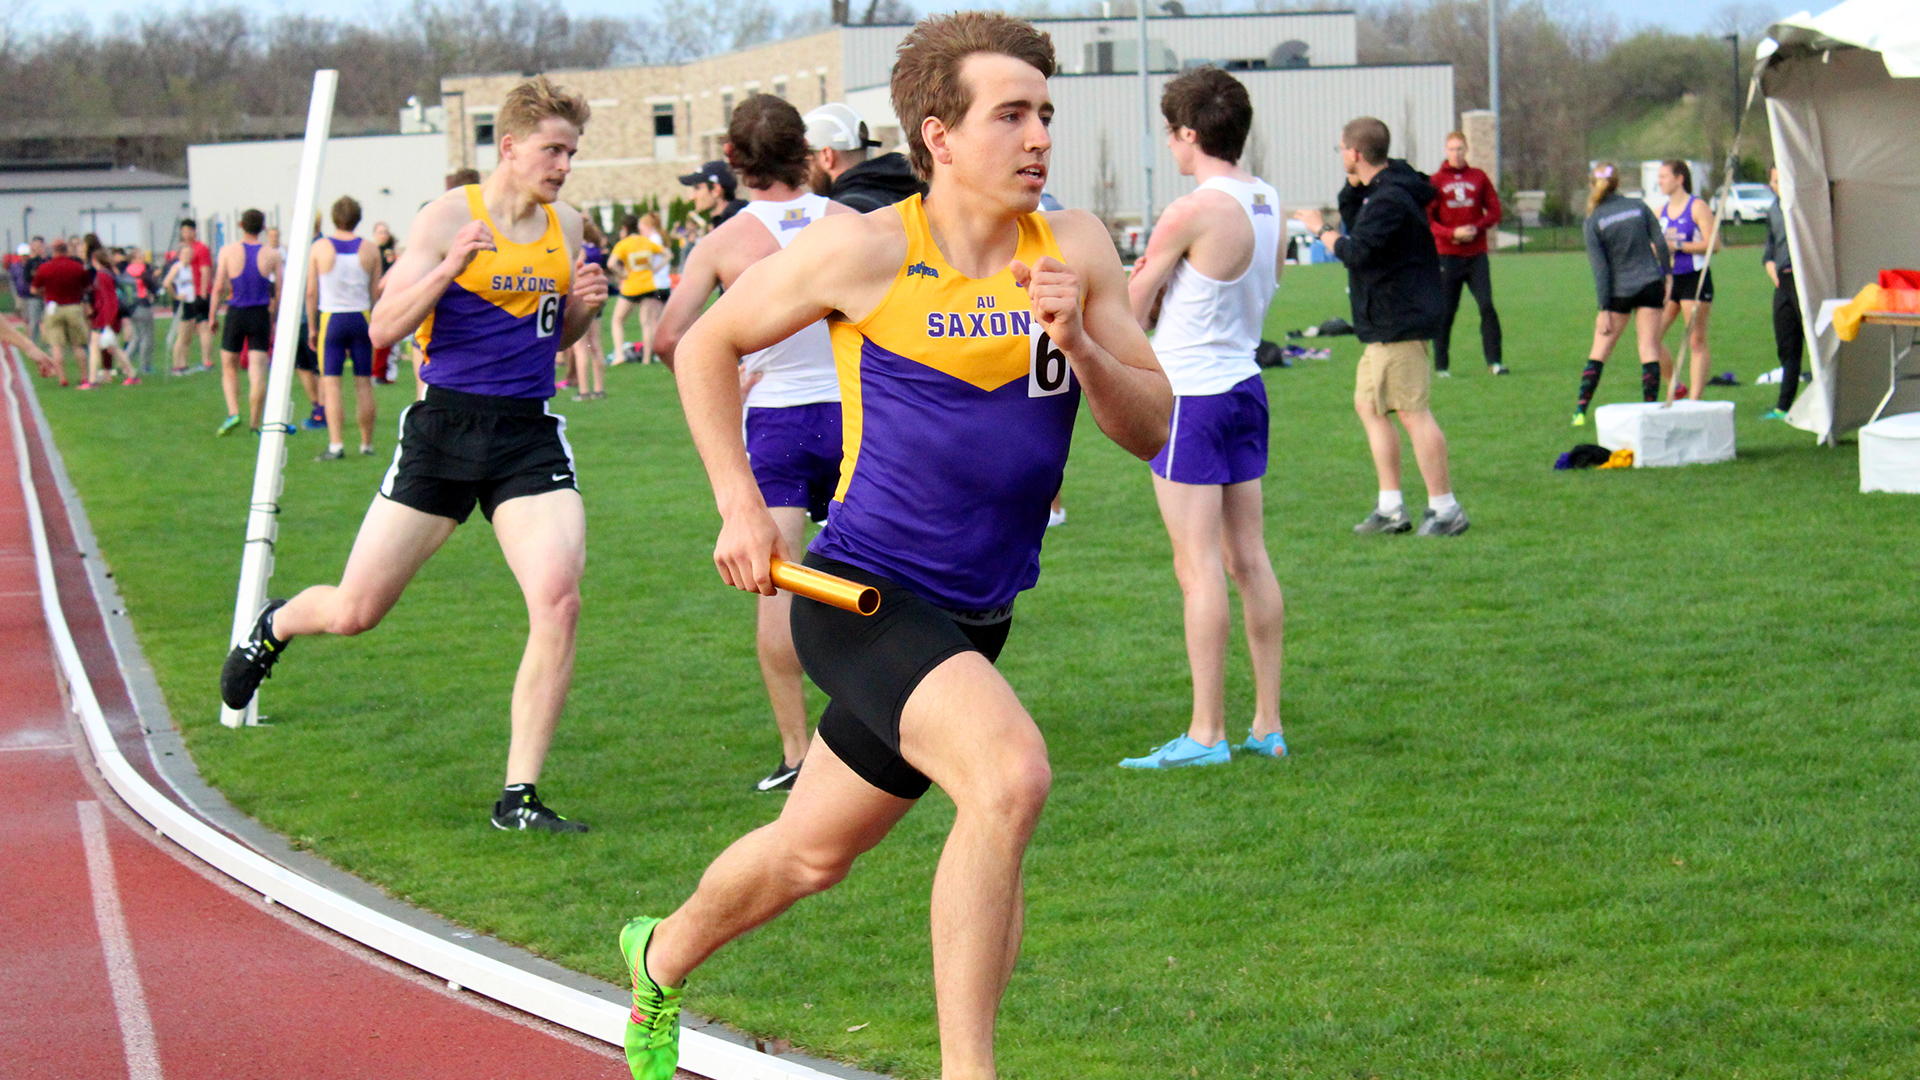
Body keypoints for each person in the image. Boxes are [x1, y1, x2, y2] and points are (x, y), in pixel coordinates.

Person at [617, 15, 1172, 1080]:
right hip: (860, 594)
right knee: (1008, 777)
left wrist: (1083, 344)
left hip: (977, 613)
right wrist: (739, 504)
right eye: (1010, 115)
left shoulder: (1078, 248)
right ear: (940, 136)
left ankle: (660, 955)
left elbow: (1153, 428)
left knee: (808, 853)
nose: (1039, 137)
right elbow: (705, 343)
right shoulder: (868, 249)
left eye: (1045, 113)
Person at [220, 75, 608, 833]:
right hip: (444, 432)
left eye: (572, 152)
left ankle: (519, 796)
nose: (565, 165)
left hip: (526, 435)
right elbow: (382, 328)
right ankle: (278, 623)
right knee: (356, 611)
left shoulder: (568, 223)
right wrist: (446, 266)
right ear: (510, 147)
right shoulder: (447, 217)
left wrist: (582, 310)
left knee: (558, 600)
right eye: (554, 150)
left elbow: (553, 336)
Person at [654, 93, 856, 793]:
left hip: (776, 423)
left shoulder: (725, 242)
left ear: (733, 157)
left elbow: (669, 338)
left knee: (778, 583)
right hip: (855, 416)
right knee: (882, 573)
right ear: (805, 149)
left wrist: (726, 380)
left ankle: (798, 753)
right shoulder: (851, 223)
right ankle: (887, 731)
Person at [1118, 66, 1285, 769]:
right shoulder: (1269, 199)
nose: (1169, 143)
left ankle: (1207, 734)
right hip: (1243, 384)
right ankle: (1267, 725)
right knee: (1249, 558)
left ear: (1189, 133)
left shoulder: (1192, 210)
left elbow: (1130, 308)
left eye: (1171, 132)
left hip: (1191, 394)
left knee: (1199, 568)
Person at [1294, 118, 1469, 537]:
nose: (1341, 156)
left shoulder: (1391, 198)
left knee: (1412, 412)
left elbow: (1357, 251)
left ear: (1355, 152)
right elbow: (1358, 219)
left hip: (1399, 320)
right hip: (1382, 323)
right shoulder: (1381, 191)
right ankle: (1391, 508)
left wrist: (1320, 229)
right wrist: (1352, 186)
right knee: (1370, 407)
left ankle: (1446, 509)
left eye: (1342, 149)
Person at [1569, 163, 1672, 425]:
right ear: (1617, 183)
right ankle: (1650, 409)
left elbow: (1600, 269)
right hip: (1650, 284)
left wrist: (1603, 309)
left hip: (1619, 292)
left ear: (1592, 184)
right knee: (1648, 348)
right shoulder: (1638, 206)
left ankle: (1580, 412)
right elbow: (1660, 243)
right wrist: (1668, 276)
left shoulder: (1594, 220)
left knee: (1600, 351)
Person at [307, 195, 384, 458]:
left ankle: (336, 444)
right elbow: (376, 293)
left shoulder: (319, 248)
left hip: (332, 318)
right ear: (358, 219)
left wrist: (312, 328)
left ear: (333, 218)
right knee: (364, 384)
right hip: (361, 317)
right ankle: (366, 444)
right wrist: (377, 322)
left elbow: (311, 292)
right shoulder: (371, 249)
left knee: (331, 385)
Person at [1428, 131, 1506, 376]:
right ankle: (1441, 366)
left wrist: (1476, 228)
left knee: (1487, 306)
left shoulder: (1478, 177)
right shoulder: (1436, 181)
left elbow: (1494, 211)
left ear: (1467, 149)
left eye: (1460, 148)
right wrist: (1452, 233)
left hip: (1476, 255)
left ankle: (1495, 362)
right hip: (1447, 256)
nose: (1456, 153)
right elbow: (1428, 220)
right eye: (1452, 149)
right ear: (1446, 151)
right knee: (1446, 311)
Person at [208, 208, 283, 435]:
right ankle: (255, 424)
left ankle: (234, 412)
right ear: (263, 228)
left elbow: (218, 286)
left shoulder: (228, 251)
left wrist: (212, 316)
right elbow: (280, 290)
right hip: (260, 314)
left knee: (229, 366)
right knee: (257, 371)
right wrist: (274, 317)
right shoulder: (273, 254)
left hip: (236, 313)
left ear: (240, 225)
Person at [1656, 160, 1717, 401]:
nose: (1659, 182)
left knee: (1696, 340)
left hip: (1694, 279)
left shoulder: (1697, 207)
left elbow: (1714, 244)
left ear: (1679, 179)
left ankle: (1695, 401)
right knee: (1651, 337)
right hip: (1670, 281)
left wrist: (1678, 245)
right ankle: (1675, 386)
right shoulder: (1660, 212)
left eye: (1664, 177)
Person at [803, 101, 927, 211]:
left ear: (827, 156)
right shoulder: (911, 186)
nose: (803, 169)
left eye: (806, 158)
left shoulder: (844, 211)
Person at [1762, 168, 1803, 421]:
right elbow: (1770, 248)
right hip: (1783, 282)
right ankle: (1783, 406)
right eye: (1773, 181)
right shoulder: (1773, 210)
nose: (1776, 185)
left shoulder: (1801, 206)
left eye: (1780, 180)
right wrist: (1771, 266)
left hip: (1803, 280)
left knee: (1815, 341)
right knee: (1787, 343)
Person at [608, 214, 670, 365]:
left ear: (624, 228)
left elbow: (611, 264)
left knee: (617, 320)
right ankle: (647, 359)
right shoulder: (646, 241)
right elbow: (668, 254)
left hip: (632, 286)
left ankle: (619, 355)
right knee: (646, 323)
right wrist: (656, 269)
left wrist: (622, 274)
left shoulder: (623, 244)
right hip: (648, 285)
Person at [31, 240, 90, 387]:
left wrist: (45, 294)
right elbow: (87, 286)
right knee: (78, 345)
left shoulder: (45, 267)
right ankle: (84, 377)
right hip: (73, 306)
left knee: (56, 346)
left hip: (53, 307)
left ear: (54, 250)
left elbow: (34, 289)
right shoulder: (77, 267)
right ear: (66, 251)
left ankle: (62, 377)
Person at [82, 246, 139, 389]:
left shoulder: (102, 275)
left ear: (95, 260)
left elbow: (108, 299)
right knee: (114, 348)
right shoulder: (107, 273)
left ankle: (92, 380)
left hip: (104, 317)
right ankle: (131, 375)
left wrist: (107, 320)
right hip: (106, 316)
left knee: (95, 347)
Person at [565, 216, 608, 399]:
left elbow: (575, 271)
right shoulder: (595, 249)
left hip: (582, 297)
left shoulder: (579, 250)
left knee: (580, 347)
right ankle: (599, 388)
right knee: (595, 343)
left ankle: (584, 390)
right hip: (596, 296)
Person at [171, 220, 215, 375]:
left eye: (188, 231)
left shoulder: (200, 248)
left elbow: (205, 270)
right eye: (183, 231)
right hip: (187, 295)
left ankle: (206, 361)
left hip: (197, 294)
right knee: (186, 332)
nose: (186, 234)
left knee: (203, 327)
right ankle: (182, 363)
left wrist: (203, 293)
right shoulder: (184, 249)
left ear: (194, 231)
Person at [680, 159, 749, 230]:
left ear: (715, 189)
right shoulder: (737, 219)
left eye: (697, 188)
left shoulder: (738, 225)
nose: (692, 197)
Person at [21, 236, 47, 344]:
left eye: (38, 245)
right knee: (34, 320)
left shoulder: (48, 260)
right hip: (34, 296)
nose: (36, 248)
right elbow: (26, 278)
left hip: (47, 295)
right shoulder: (30, 262)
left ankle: (48, 342)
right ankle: (32, 343)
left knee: (47, 320)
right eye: (34, 245)